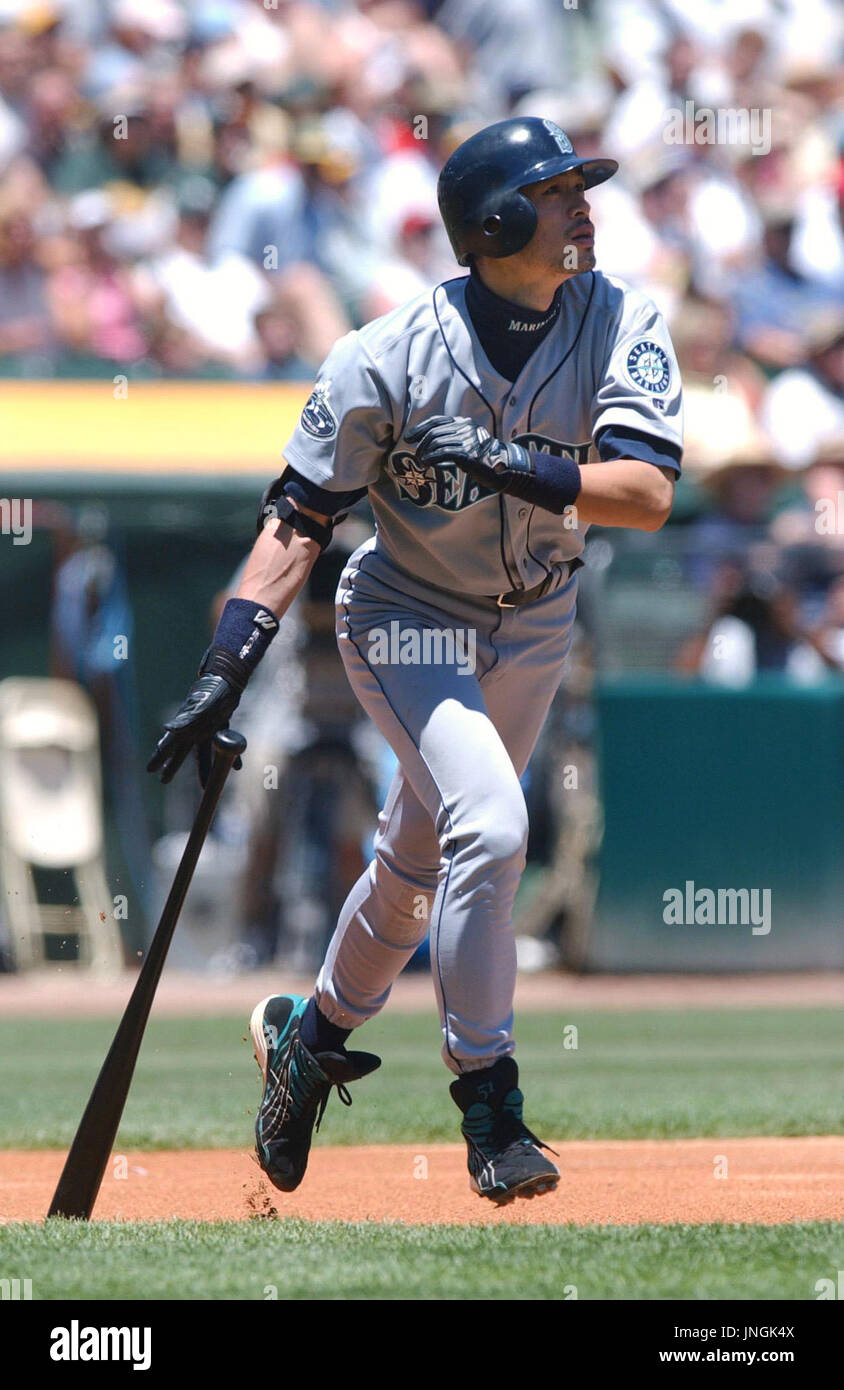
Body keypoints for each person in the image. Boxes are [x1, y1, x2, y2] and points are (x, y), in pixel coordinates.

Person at [147, 117, 682, 1205]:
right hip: (407, 615)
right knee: (491, 820)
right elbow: (299, 518)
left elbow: (649, 493)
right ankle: (490, 1105)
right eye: (558, 190)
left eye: (583, 185)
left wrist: (509, 464)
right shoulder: (382, 355)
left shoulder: (623, 313)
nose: (584, 204)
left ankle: (309, 1037)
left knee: (412, 869)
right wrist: (223, 665)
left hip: (536, 614)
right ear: (492, 224)